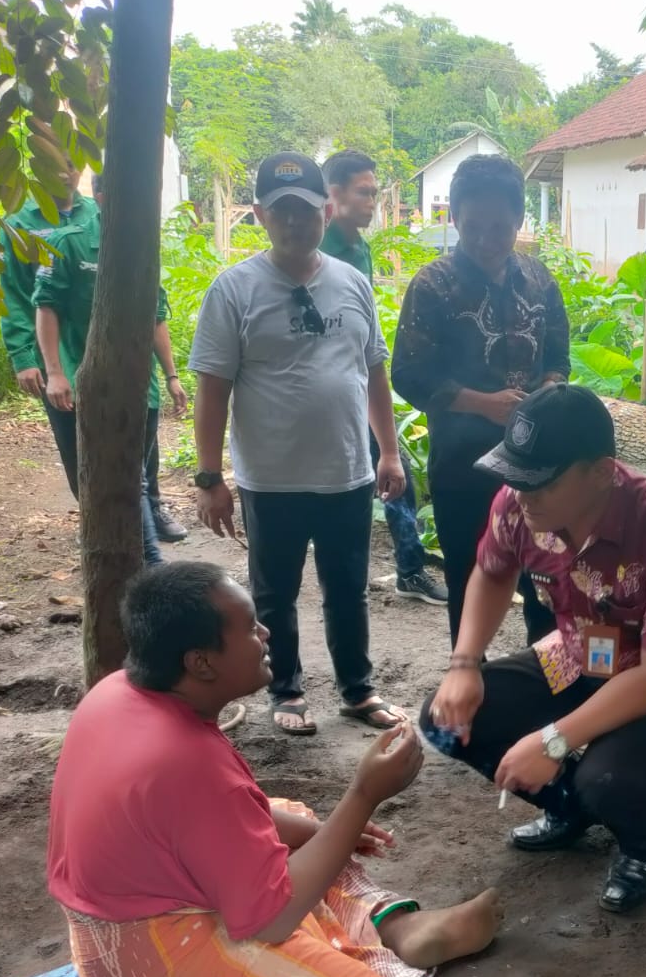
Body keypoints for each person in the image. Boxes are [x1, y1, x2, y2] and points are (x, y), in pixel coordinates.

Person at [50, 562, 502, 977]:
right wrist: (363, 797)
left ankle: (394, 927)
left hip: (132, 944)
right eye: (247, 627)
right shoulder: (184, 760)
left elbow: (225, 817)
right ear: (201, 663)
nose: (264, 633)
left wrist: (325, 828)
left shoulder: (120, 694)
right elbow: (271, 919)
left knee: (297, 823)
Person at [421, 385, 646, 913]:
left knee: (609, 778)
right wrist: (464, 664)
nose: (521, 495)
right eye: (514, 476)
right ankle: (571, 806)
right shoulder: (519, 503)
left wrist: (553, 741)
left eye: (541, 482)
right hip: (582, 647)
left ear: (600, 472)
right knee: (447, 719)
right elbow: (492, 573)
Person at [189, 152, 407, 736]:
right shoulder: (234, 290)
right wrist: (210, 478)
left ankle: (357, 690)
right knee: (274, 595)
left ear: (325, 212)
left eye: (306, 210)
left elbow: (374, 373)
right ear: (260, 214)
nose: (294, 222)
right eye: (281, 211)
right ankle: (285, 690)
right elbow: (212, 391)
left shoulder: (352, 283)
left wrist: (388, 451)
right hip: (271, 480)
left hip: (347, 473)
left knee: (348, 592)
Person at [391, 154, 568, 647]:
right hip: (462, 464)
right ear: (454, 218)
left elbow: (559, 356)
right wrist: (482, 403)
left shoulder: (540, 281)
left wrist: (547, 391)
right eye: (473, 227)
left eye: (499, 227)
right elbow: (408, 374)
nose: (486, 239)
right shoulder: (431, 286)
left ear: (519, 219)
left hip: (536, 463)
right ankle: (468, 678)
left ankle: (548, 678)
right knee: (468, 580)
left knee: (547, 582)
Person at [0, 147, 186, 544]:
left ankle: (150, 507)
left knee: (140, 438)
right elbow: (19, 297)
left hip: (125, 358)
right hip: (64, 354)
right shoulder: (20, 224)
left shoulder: (103, 218)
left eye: (70, 164)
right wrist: (27, 358)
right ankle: (97, 516)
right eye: (53, 165)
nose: (63, 174)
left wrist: (171, 373)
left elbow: (154, 306)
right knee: (79, 442)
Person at [320, 149, 448, 609]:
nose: (372, 202)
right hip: (326, 397)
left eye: (374, 193)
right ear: (332, 194)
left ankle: (408, 569)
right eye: (364, 192)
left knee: (397, 475)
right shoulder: (315, 248)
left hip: (361, 385)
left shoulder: (360, 248)